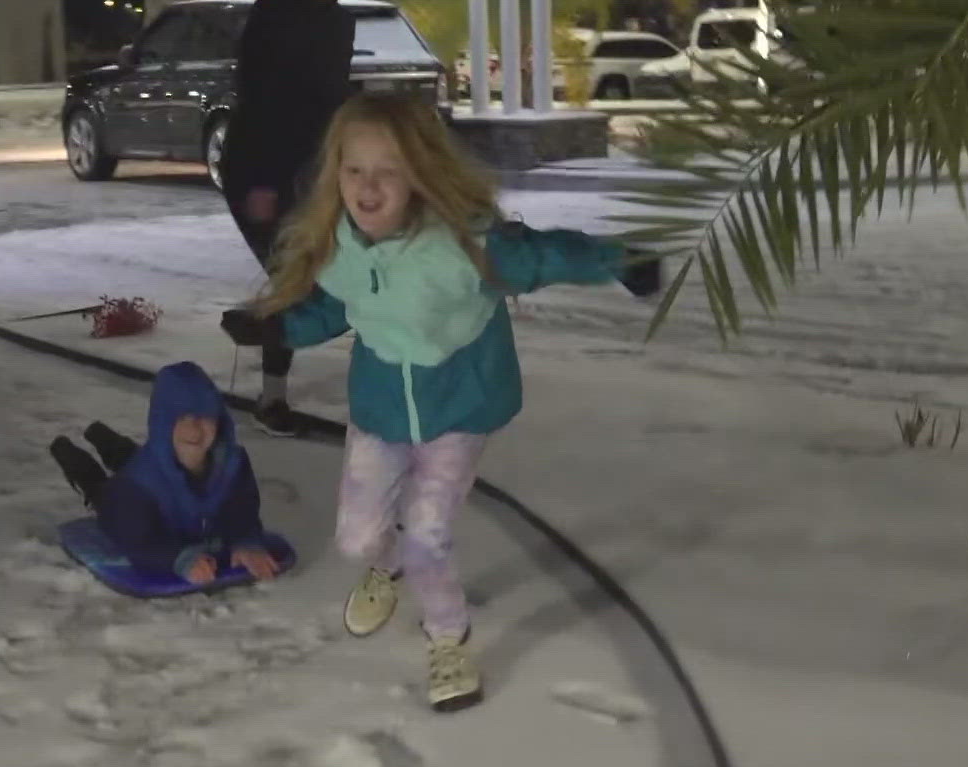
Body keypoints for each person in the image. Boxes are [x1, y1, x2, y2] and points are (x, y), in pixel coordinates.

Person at [219, 95, 662, 711]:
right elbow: (333, 307)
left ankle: (448, 638)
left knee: (428, 535)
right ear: (335, 174)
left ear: (419, 172)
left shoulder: (462, 246)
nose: (368, 188)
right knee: (358, 539)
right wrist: (275, 327)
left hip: (458, 405)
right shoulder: (339, 245)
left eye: (388, 171)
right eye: (354, 171)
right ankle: (388, 567)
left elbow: (544, 254)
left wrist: (621, 259)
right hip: (381, 408)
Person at [218, 0, 358, 437]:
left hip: (312, 168)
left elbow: (330, 100)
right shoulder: (273, 16)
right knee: (293, 278)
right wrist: (263, 183)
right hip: (261, 167)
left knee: (340, 267)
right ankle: (272, 397)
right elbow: (261, 104)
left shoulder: (338, 22)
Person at [49, 362, 280, 585]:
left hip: (154, 473)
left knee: (134, 457)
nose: (193, 428)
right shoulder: (135, 484)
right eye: (181, 418)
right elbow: (137, 539)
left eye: (203, 416)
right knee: (102, 488)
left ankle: (102, 436)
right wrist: (176, 559)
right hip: (120, 504)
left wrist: (245, 541)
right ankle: (66, 450)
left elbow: (242, 511)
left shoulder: (234, 463)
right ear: (163, 423)